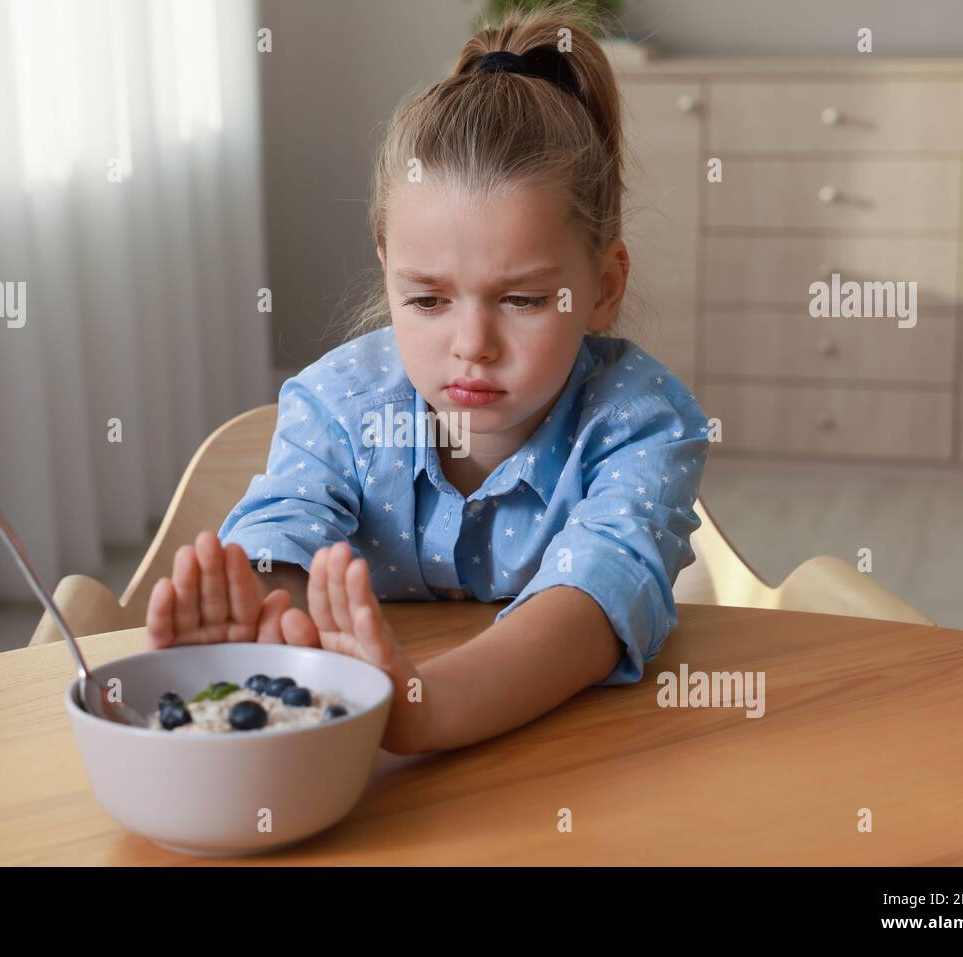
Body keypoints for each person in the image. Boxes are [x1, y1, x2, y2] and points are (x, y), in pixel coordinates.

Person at [146, 1, 710, 755]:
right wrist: (258, 613)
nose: (472, 345)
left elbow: (591, 605)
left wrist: (427, 703)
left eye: (522, 299)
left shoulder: (642, 423)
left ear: (604, 285)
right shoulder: (339, 405)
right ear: (386, 273)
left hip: (586, 768)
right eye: (427, 299)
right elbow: (286, 540)